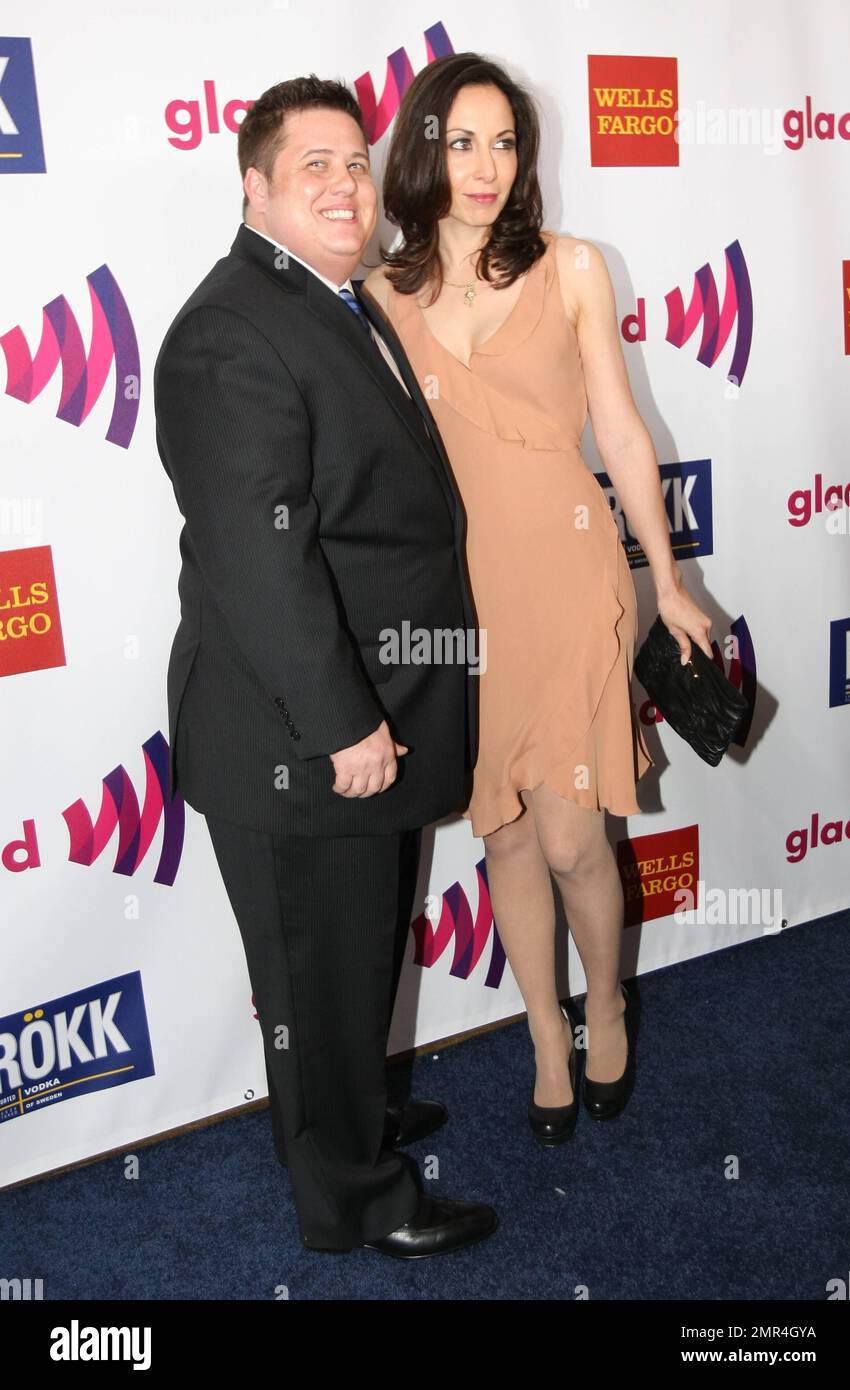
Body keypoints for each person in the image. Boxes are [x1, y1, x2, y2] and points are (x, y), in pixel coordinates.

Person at [153, 75, 497, 1256]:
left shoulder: (327, 299)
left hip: (368, 709)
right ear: (252, 186)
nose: (347, 183)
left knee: (349, 962)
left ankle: (352, 1110)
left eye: (355, 161)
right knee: (319, 971)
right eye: (314, 165)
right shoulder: (230, 331)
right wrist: (343, 723)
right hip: (299, 737)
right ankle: (355, 1195)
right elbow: (263, 560)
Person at [361, 53, 713, 1143]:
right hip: (459, 605)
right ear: (422, 148)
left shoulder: (569, 269)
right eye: (460, 141)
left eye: (504, 141)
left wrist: (666, 574)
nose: (484, 165)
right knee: (504, 838)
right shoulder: (382, 293)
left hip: (567, 580)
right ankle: (542, 1038)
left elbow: (617, 429)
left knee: (570, 840)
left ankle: (603, 1001)